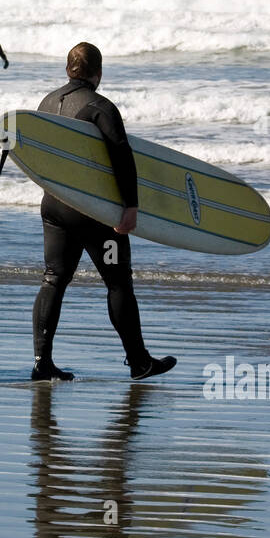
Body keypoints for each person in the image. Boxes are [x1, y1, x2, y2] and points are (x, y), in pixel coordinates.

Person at [29, 42, 176, 382]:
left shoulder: (46, 103)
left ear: (69, 69)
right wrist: (130, 207)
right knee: (118, 283)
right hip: (95, 214)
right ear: (98, 72)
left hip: (54, 206)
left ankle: (42, 362)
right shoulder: (101, 107)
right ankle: (139, 362)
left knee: (53, 279)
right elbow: (122, 158)